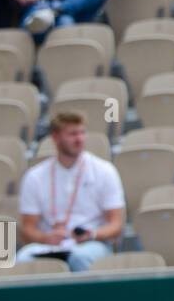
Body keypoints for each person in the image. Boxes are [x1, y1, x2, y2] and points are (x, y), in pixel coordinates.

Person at [15, 111, 125, 272]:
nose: (79, 139)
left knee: (79, 257)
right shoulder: (35, 176)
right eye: (72, 134)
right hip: (50, 245)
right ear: (56, 137)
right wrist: (45, 238)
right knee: (24, 258)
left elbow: (116, 225)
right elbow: (28, 228)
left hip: (92, 243)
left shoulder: (104, 170)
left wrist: (92, 234)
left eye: (82, 133)